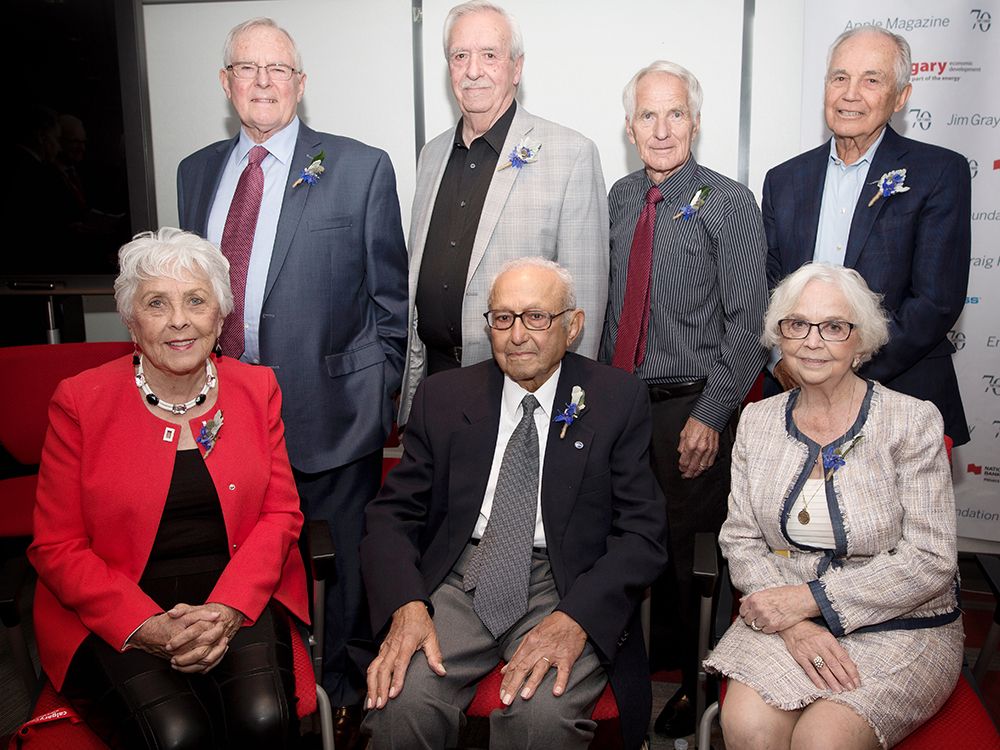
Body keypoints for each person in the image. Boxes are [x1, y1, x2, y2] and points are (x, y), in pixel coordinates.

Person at [176, 17, 408, 732]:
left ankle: (338, 696)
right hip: (221, 414)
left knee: (337, 574)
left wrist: (373, 397)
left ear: (301, 85)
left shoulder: (359, 166)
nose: (263, 82)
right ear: (226, 84)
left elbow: (390, 303)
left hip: (332, 413)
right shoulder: (195, 171)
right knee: (240, 555)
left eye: (278, 70)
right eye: (247, 69)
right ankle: (261, 684)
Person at [361, 258, 667, 749]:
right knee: (403, 702)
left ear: (573, 326)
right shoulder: (444, 395)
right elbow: (391, 514)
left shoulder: (616, 398)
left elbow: (643, 534)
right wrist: (407, 604)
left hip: (565, 584)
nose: (517, 335)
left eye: (536, 317)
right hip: (461, 578)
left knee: (538, 719)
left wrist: (578, 618)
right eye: (503, 318)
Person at [27, 228, 310, 748]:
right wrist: (146, 625)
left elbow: (280, 515)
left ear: (220, 316)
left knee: (264, 719)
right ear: (132, 321)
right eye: (157, 303)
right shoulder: (80, 402)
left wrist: (226, 611)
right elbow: (56, 546)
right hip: (117, 606)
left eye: (196, 301)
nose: (179, 320)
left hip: (234, 594)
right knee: (177, 734)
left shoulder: (256, 389)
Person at [704, 262, 962, 750]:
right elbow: (741, 539)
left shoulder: (912, 421)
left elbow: (930, 561)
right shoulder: (757, 421)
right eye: (796, 325)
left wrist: (812, 601)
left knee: (823, 741)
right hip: (785, 618)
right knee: (746, 727)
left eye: (834, 327)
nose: (812, 341)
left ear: (861, 341)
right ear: (779, 335)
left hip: (899, 622)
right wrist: (797, 623)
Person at [599, 60, 767, 737]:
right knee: (624, 544)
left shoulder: (729, 202)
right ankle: (632, 673)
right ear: (630, 125)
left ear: (695, 122)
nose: (661, 129)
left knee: (689, 559)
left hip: (692, 404)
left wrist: (710, 413)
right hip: (619, 402)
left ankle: (701, 686)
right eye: (648, 115)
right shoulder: (616, 197)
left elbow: (751, 323)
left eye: (675, 114)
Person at [399, 0, 609, 424]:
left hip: (522, 394)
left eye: (489, 55)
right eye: (460, 56)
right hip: (434, 385)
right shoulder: (432, 154)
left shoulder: (570, 154)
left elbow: (584, 303)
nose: (473, 70)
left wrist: (568, 410)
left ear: (516, 68)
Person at [762, 26, 971, 445]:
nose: (850, 93)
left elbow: (934, 301)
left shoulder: (939, 172)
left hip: (900, 395)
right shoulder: (784, 179)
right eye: (840, 77)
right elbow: (769, 285)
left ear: (901, 97)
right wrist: (788, 360)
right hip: (794, 396)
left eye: (871, 80)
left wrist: (843, 372)